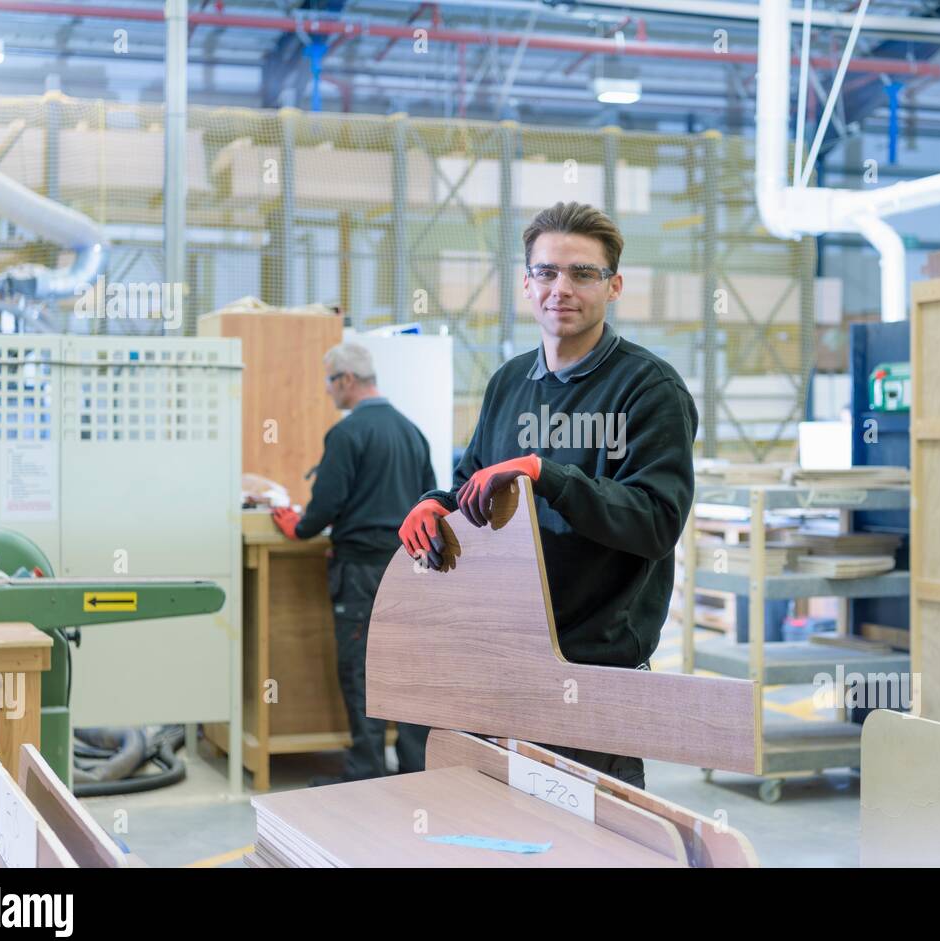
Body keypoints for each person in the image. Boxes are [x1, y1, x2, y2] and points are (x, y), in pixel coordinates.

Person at [398, 201, 698, 790]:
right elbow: (474, 484)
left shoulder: (649, 388)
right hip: (500, 659)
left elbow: (656, 521)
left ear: (614, 286)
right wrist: (437, 503)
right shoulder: (510, 381)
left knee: (589, 846)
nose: (563, 287)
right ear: (527, 283)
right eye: (547, 272)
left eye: (583, 273)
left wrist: (549, 474)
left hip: (592, 670)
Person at [273, 341, 435, 784]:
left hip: (362, 573)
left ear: (345, 380)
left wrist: (299, 526)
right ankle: (414, 769)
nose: (328, 393)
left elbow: (323, 508)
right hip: (410, 570)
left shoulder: (346, 434)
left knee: (361, 667)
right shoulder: (410, 431)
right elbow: (431, 501)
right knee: (406, 670)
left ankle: (364, 769)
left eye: (329, 382)